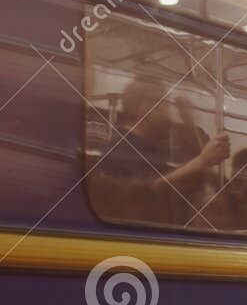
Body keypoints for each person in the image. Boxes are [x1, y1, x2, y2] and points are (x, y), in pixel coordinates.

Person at [91, 76, 229, 224]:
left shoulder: (154, 146)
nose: (170, 114)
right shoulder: (120, 149)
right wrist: (202, 161)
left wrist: (189, 121)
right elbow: (142, 193)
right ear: (145, 109)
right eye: (166, 105)